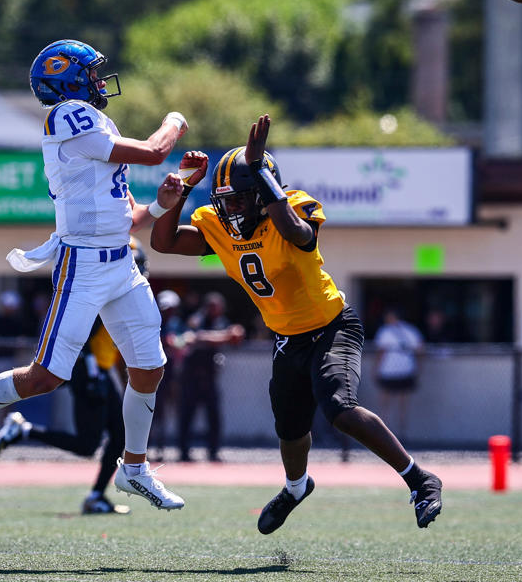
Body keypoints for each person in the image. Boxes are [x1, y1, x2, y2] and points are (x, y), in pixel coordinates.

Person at [0, 39, 186, 511]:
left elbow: (130, 217)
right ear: (70, 80)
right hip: (82, 263)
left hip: (120, 261)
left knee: (150, 366)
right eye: (93, 73)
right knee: (44, 378)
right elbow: (151, 151)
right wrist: (173, 124)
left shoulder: (96, 121)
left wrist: (167, 197)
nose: (101, 82)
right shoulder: (67, 115)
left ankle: (134, 469)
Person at [151, 114, 443, 533]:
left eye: (238, 198)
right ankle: (295, 486)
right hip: (288, 338)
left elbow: (299, 232)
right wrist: (184, 186)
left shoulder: (290, 207)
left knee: (338, 408)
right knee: (289, 430)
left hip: (331, 326)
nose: (229, 209)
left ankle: (420, 480)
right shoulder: (218, 226)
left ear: (261, 192)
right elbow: (163, 242)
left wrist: (258, 172)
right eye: (224, 201)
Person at [0, 239, 151, 516]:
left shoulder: (115, 292)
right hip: (89, 370)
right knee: (88, 444)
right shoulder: (104, 291)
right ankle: (24, 429)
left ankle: (96, 496)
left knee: (120, 437)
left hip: (99, 369)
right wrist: (89, 370)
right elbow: (83, 334)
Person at [177, 292, 244, 462]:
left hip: (210, 376)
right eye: (213, 308)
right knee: (187, 415)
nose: (216, 311)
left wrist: (227, 336)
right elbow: (195, 337)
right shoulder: (196, 319)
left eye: (218, 308)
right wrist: (224, 336)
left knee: (214, 416)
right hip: (192, 375)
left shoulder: (221, 322)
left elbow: (234, 338)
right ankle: (184, 452)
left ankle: (213, 452)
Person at [374, 307, 425, 441]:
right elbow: (420, 350)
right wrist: (417, 369)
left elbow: (380, 353)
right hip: (406, 370)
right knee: (402, 404)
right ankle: (400, 433)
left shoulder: (385, 331)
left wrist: (375, 370)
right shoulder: (411, 330)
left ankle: (386, 434)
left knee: (386, 403)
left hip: (388, 371)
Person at [148, 289, 187, 460]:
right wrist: (166, 342)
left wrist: (179, 344)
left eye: (170, 309)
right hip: (152, 373)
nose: (167, 312)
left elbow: (184, 340)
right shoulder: (153, 321)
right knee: (149, 410)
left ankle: (161, 448)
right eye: (165, 308)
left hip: (171, 374)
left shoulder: (178, 324)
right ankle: (145, 448)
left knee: (167, 412)